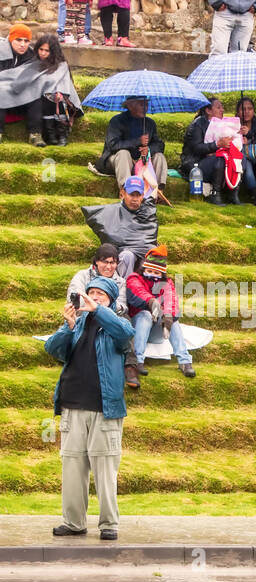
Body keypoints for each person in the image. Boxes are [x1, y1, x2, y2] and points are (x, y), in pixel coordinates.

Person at [46, 275, 133, 541]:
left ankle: (108, 524)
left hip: (104, 408)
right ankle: (73, 522)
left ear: (110, 301)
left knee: (105, 469)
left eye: (100, 295)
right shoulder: (78, 324)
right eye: (91, 293)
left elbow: (126, 336)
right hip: (73, 407)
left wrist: (100, 312)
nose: (93, 297)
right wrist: (68, 326)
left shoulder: (118, 325)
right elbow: (54, 350)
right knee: (72, 468)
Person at [124, 245, 195, 380]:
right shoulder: (134, 278)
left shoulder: (167, 283)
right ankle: (138, 360)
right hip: (137, 327)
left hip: (158, 330)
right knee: (145, 314)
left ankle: (184, 361)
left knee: (174, 321)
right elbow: (137, 291)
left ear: (162, 274)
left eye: (156, 273)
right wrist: (150, 302)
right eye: (149, 270)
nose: (152, 274)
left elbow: (171, 299)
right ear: (143, 269)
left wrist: (168, 316)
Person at [82, 175, 157, 284]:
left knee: (154, 258)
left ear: (142, 196)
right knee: (127, 256)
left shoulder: (147, 211)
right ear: (123, 193)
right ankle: (121, 291)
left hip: (144, 256)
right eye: (131, 195)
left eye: (138, 195)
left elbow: (155, 192)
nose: (135, 199)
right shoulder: (111, 212)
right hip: (123, 257)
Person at [94, 95, 167, 189]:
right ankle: (127, 190)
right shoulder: (116, 121)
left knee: (159, 156)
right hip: (119, 161)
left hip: (142, 161)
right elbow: (113, 145)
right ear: (130, 106)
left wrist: (148, 149)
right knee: (123, 154)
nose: (145, 108)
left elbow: (159, 144)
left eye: (146, 104)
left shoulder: (150, 123)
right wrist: (138, 141)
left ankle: (157, 190)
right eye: (141, 104)